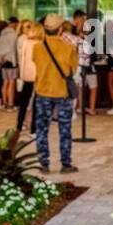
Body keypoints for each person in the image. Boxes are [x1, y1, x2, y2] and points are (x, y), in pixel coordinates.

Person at [32, 13, 79, 173]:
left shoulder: (37, 48)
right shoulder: (69, 48)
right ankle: (66, 164)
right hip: (62, 93)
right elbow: (73, 70)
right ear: (60, 29)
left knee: (42, 129)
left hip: (42, 91)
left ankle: (43, 163)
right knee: (65, 129)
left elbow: (36, 65)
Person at [15, 20, 43, 135]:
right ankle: (33, 130)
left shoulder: (26, 42)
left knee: (23, 103)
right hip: (37, 76)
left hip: (26, 76)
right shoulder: (40, 43)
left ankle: (19, 127)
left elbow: (22, 59)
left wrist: (22, 75)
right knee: (36, 103)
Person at [71, 9, 97, 115]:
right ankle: (80, 107)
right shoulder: (72, 31)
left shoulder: (89, 30)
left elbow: (93, 46)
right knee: (80, 87)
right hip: (78, 64)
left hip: (89, 63)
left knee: (93, 86)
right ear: (76, 18)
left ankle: (91, 108)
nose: (83, 20)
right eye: (82, 18)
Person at [0, 16, 19, 110]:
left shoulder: (2, 34)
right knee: (12, 82)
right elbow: (13, 49)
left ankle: (4, 103)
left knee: (5, 82)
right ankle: (10, 104)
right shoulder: (13, 34)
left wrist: (0, 59)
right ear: (14, 24)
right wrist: (12, 60)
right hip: (10, 60)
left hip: (2, 61)